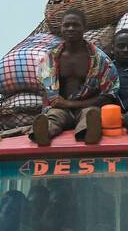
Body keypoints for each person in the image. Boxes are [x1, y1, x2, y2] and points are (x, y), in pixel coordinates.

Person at [32, 8, 119, 146]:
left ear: (84, 28)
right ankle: (43, 133)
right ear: (61, 28)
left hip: (87, 106)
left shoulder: (101, 60)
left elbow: (107, 96)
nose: (70, 28)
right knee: (52, 118)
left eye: (76, 25)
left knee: (90, 115)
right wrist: (49, 110)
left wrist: (71, 104)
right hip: (60, 109)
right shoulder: (49, 60)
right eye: (66, 25)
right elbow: (45, 92)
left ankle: (88, 133)